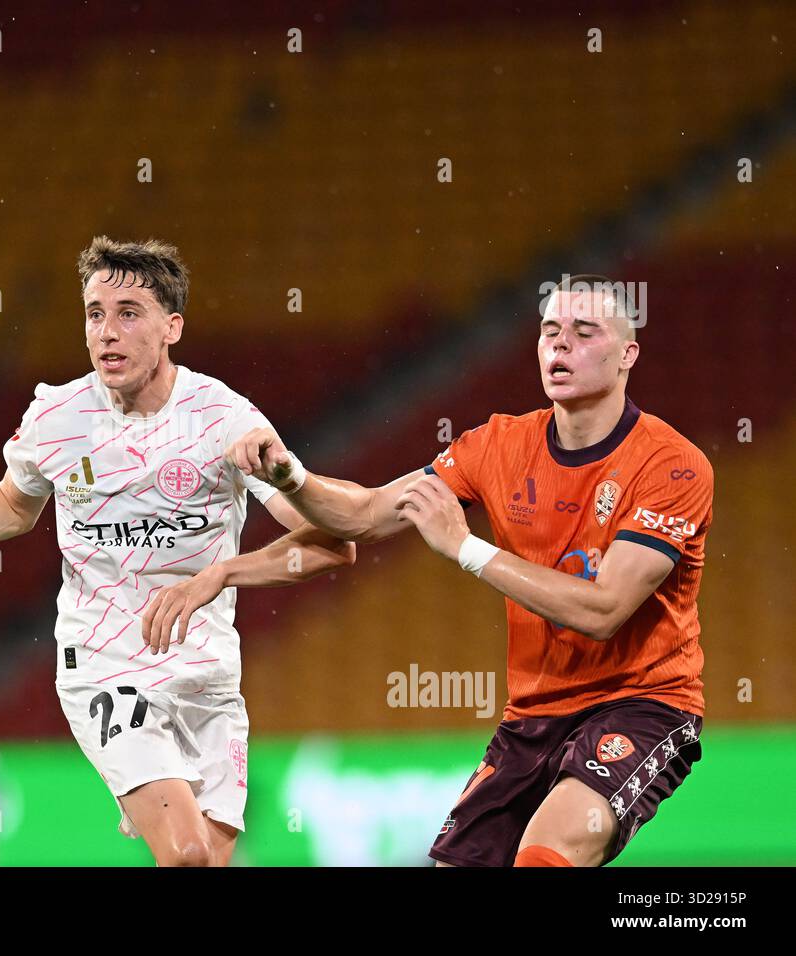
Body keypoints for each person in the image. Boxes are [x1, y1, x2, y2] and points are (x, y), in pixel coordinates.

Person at [149, 277, 712, 866]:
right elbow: (364, 516)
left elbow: (603, 610)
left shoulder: (671, 466)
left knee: (550, 849)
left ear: (628, 354)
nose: (559, 347)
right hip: (533, 716)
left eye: (583, 333)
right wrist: (290, 476)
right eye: (549, 332)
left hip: (643, 703)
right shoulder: (497, 445)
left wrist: (465, 548)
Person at [0, 236, 354, 866]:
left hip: (208, 675)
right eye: (95, 313)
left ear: (172, 328)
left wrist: (227, 567)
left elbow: (329, 543)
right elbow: (14, 506)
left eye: (129, 313)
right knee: (186, 854)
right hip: (105, 664)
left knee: (209, 863)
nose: (107, 331)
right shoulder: (57, 414)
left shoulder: (222, 418)